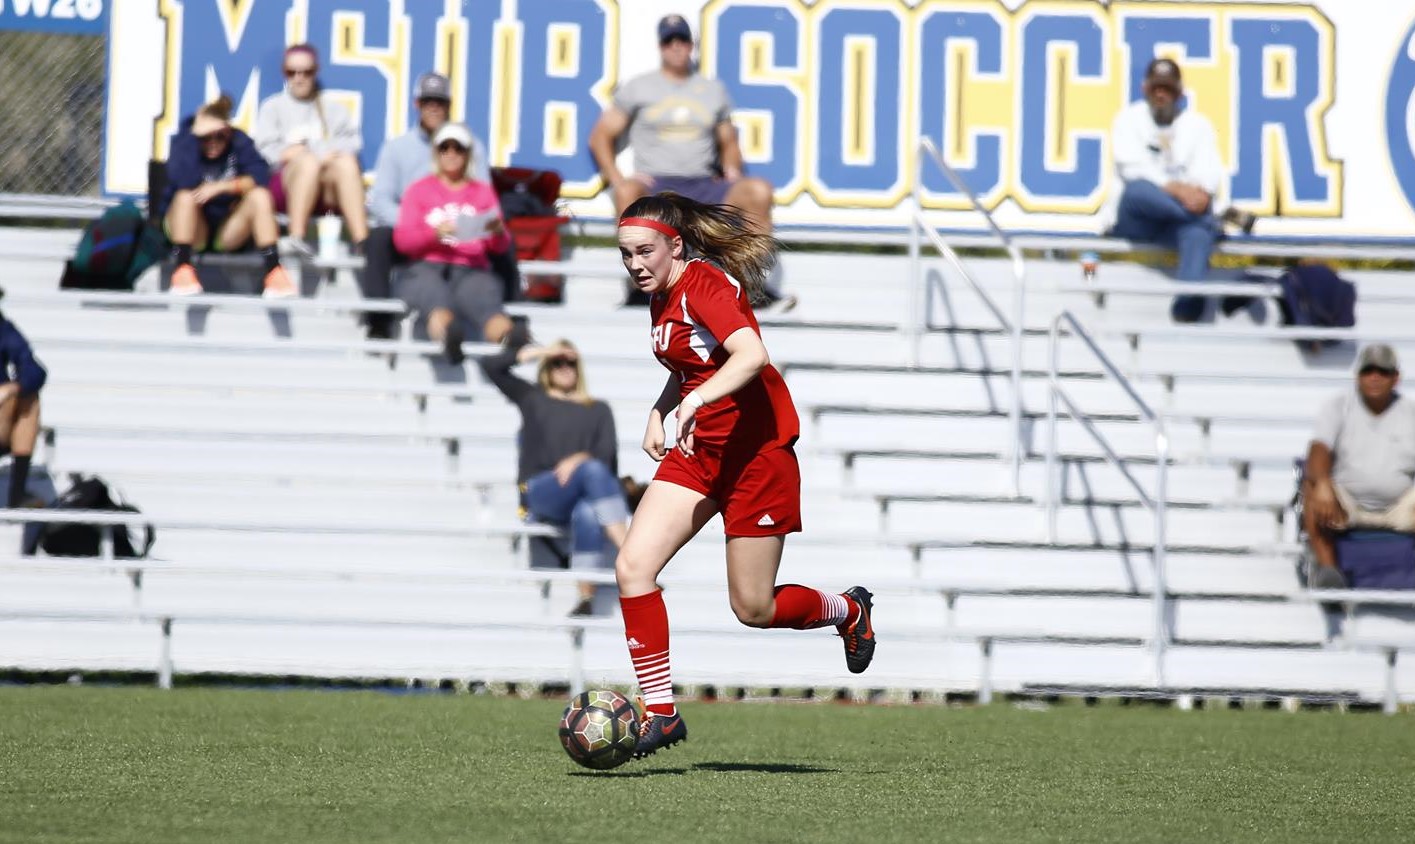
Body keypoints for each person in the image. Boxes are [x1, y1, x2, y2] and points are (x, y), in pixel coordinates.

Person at [613, 193, 874, 759]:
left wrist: (694, 400)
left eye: (644, 252)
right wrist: (663, 408)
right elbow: (693, 365)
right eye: (626, 254)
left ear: (675, 246)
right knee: (633, 567)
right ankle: (660, 714)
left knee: (753, 608)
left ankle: (848, 610)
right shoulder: (659, 294)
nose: (635, 264)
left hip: (757, 456)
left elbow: (751, 354)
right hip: (701, 452)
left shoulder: (703, 284)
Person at [588, 14, 794, 311]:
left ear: (690, 44)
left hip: (701, 182)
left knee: (758, 190)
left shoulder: (712, 90)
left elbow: (728, 140)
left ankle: (753, 283)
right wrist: (617, 178)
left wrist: (731, 169)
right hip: (657, 182)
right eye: (669, 41)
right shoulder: (640, 87)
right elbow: (600, 136)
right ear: (661, 46)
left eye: (681, 40)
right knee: (625, 193)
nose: (676, 47)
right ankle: (640, 284)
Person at [479, 338, 629, 616]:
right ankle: (634, 554)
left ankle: (586, 597)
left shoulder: (598, 409)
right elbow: (490, 367)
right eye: (557, 362)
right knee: (591, 470)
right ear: (547, 366)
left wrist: (578, 459)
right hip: (539, 491)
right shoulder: (534, 398)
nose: (564, 367)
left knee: (587, 510)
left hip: (579, 494)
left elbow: (607, 458)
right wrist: (544, 351)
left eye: (570, 362)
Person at [1103, 57, 1255, 323]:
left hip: (1177, 222)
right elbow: (1131, 169)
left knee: (1197, 234)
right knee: (1139, 190)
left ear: (1179, 93)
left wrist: (1197, 195)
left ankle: (1186, 308)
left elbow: (1208, 176)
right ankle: (1214, 218)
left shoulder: (1198, 125)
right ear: (1145, 89)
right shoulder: (1128, 118)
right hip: (1139, 220)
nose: (1162, 94)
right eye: (1156, 88)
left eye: (1168, 89)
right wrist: (1179, 190)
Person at [364, 71, 493, 339]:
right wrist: (420, 228)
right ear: (416, 104)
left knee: (502, 235)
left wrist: (458, 226)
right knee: (378, 238)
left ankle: (510, 313)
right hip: (412, 233)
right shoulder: (397, 148)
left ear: (449, 105)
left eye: (440, 102)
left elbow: (484, 199)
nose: (433, 107)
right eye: (427, 101)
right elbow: (380, 201)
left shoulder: (473, 148)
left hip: (458, 233)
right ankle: (377, 321)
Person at [393, 122, 514, 364]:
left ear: (467, 154)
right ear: (435, 153)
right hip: (427, 265)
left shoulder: (482, 192)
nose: (451, 154)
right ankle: (450, 338)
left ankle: (511, 342)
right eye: (444, 148)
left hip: (471, 266)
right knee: (435, 300)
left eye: (458, 148)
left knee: (486, 302)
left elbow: (500, 245)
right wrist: (434, 234)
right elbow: (403, 241)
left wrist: (497, 233)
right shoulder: (418, 190)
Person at [158, 94, 295, 297]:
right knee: (186, 197)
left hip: (226, 231)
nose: (213, 142)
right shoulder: (185, 143)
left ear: (228, 132)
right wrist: (193, 139)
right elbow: (181, 180)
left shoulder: (239, 142)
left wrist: (223, 187)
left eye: (220, 136)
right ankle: (182, 270)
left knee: (260, 196)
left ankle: (274, 271)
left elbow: (261, 177)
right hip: (191, 227)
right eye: (206, 137)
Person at [1303, 344, 1415, 589]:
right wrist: (1322, 484)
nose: (1374, 377)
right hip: (1346, 505)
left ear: (1395, 378)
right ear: (1358, 376)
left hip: (1400, 508)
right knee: (1312, 486)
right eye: (1368, 370)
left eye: (1382, 371)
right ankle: (1329, 572)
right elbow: (1318, 449)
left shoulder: (1411, 413)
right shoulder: (1338, 406)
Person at [254, 44, 369, 256]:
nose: (299, 78)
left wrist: (308, 151)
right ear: (284, 73)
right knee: (308, 163)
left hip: (326, 187)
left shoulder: (334, 109)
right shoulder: (273, 107)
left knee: (346, 164)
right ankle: (296, 237)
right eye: (292, 72)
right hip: (286, 183)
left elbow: (353, 144)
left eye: (306, 72)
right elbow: (266, 152)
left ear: (316, 72)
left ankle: (362, 241)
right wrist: (313, 155)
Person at [0, 300, 46, 508]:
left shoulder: (4, 330)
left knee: (28, 399)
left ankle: (16, 494)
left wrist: (13, 388)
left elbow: (34, 370)